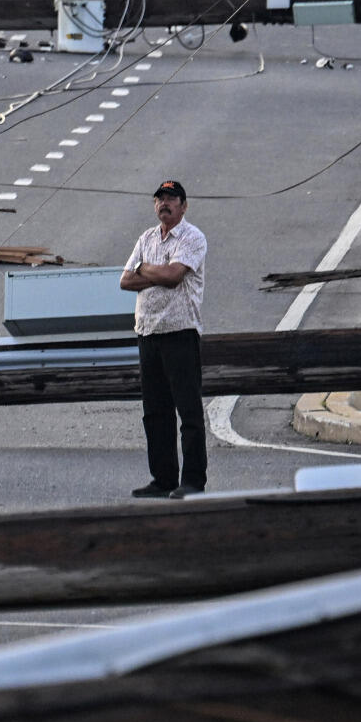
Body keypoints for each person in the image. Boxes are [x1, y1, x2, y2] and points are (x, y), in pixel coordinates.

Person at [121, 179, 207, 499]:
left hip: (180, 332)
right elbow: (125, 280)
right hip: (148, 332)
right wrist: (153, 270)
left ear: (184, 206)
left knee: (188, 411)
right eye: (160, 199)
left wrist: (145, 269)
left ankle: (193, 481)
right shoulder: (146, 238)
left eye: (171, 199)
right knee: (155, 412)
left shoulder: (192, 237)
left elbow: (173, 277)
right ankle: (163, 478)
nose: (165, 204)